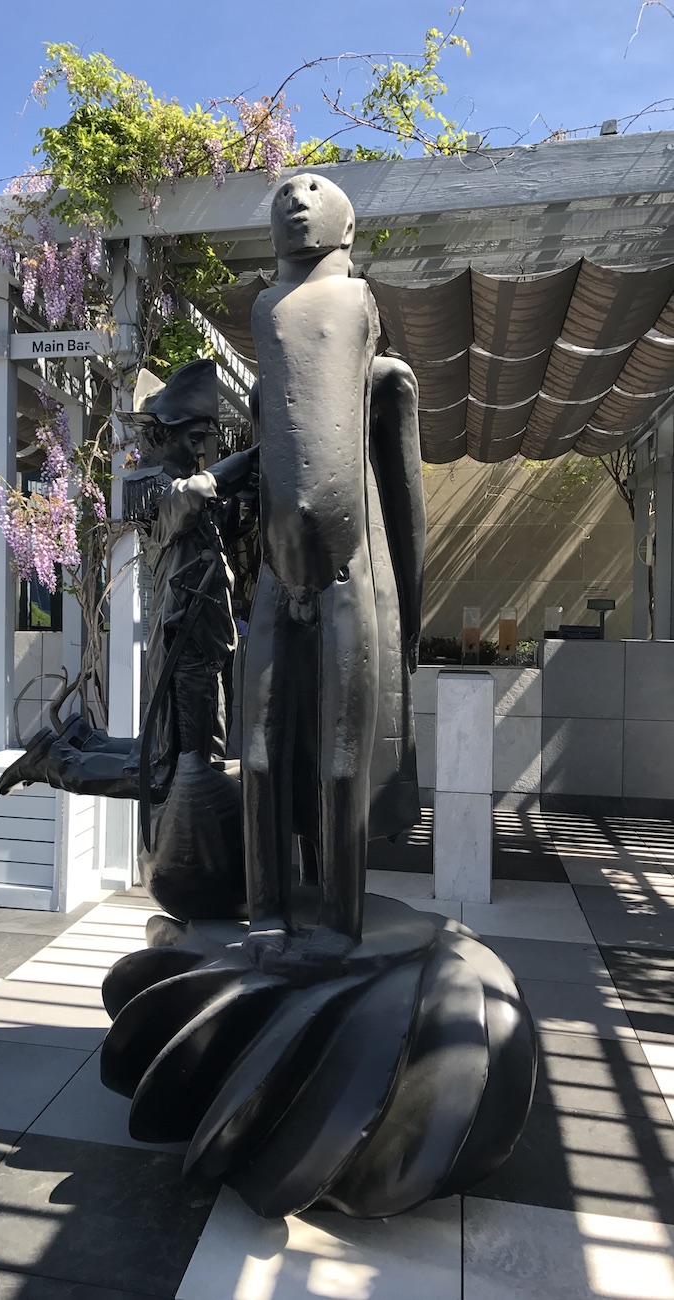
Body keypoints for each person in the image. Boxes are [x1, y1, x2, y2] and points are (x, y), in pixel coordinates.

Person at [242, 172, 425, 968]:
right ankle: (264, 907)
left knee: (343, 756)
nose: (296, 196)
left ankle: (338, 921)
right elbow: (269, 449)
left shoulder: (361, 318)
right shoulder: (262, 314)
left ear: (346, 225)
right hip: (275, 567)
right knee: (256, 750)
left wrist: (409, 619)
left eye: (316, 188)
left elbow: (407, 499)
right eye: (285, 189)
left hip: (352, 564)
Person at [0, 358, 257, 800]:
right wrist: (253, 456)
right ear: (161, 434)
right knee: (174, 774)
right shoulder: (155, 486)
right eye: (193, 440)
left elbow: (227, 520)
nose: (199, 452)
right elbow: (193, 497)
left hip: (207, 640)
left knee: (186, 763)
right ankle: (58, 762)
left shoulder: (183, 486)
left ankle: (79, 740)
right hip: (183, 643)